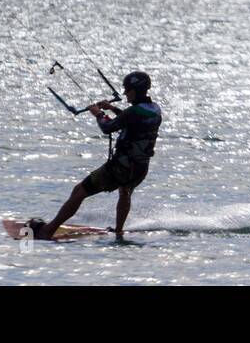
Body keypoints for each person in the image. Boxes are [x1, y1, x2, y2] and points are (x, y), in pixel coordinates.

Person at [32, 71, 161, 242]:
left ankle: (47, 231)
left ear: (135, 91)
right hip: (139, 168)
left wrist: (98, 114)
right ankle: (119, 231)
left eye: (127, 90)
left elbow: (108, 127)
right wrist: (112, 108)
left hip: (120, 168)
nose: (124, 93)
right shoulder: (154, 109)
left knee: (79, 191)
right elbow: (132, 118)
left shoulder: (133, 112)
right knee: (125, 192)